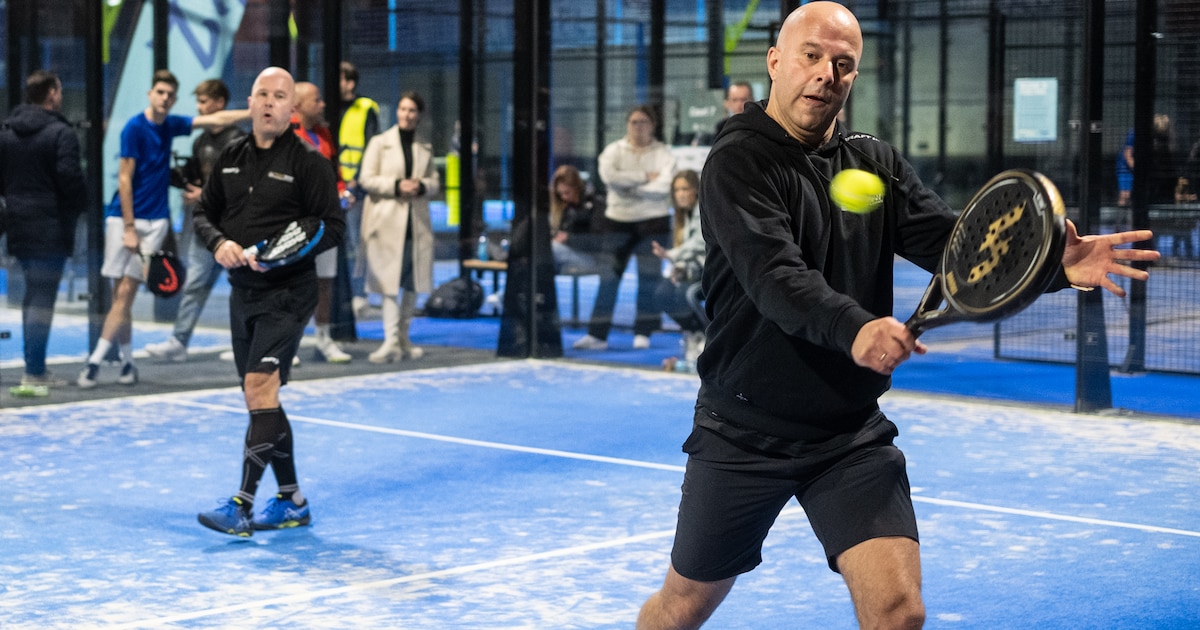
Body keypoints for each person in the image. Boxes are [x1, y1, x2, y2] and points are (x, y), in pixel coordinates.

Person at [635, 4, 1162, 629]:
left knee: (898, 611)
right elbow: (775, 278)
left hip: (847, 434)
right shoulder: (738, 162)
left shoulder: (873, 162)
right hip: (744, 431)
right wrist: (854, 328)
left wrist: (1052, 264)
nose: (826, 73)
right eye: (811, 55)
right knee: (683, 607)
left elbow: (955, 247)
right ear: (775, 62)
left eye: (843, 64)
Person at [195, 67, 345, 537]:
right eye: (262, 93)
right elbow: (203, 212)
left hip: (288, 294)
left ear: (291, 109)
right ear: (250, 101)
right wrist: (219, 242)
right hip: (242, 292)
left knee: (259, 389)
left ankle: (241, 504)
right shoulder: (230, 155)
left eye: (279, 96)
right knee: (262, 399)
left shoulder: (309, 163)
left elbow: (331, 227)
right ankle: (293, 500)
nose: (269, 102)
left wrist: (280, 255)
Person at [78, 69, 248, 389]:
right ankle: (127, 363)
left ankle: (94, 363)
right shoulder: (134, 128)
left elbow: (215, 119)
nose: (165, 98)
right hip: (124, 221)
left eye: (170, 95)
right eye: (160, 92)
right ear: (150, 94)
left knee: (125, 295)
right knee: (121, 297)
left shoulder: (172, 125)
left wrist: (254, 112)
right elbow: (124, 179)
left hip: (156, 222)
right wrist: (129, 226)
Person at [143, 78, 246, 362]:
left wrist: (203, 194)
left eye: (204, 102)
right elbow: (196, 177)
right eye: (198, 102)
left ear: (220, 103)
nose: (199, 107)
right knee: (194, 287)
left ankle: (245, 343)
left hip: (235, 230)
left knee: (243, 289)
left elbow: (239, 185)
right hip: (208, 230)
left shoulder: (238, 141)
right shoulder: (201, 140)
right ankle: (179, 342)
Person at [0, 70, 86, 389]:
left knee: (32, 296)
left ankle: (34, 368)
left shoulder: (7, 132)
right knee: (42, 299)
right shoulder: (61, 133)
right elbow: (69, 178)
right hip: (50, 226)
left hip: (18, 223)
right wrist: (81, 204)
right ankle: (35, 371)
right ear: (51, 93)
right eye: (59, 90)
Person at [573, 105, 676, 351]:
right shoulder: (613, 151)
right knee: (609, 278)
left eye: (643, 122)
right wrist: (644, 177)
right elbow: (610, 178)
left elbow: (664, 187)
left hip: (653, 222)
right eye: (634, 122)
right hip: (617, 222)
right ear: (627, 125)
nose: (638, 127)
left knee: (648, 279)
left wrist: (628, 187)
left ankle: (644, 331)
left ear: (652, 126)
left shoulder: (664, 154)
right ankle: (597, 335)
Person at [358, 91, 440, 363]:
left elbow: (434, 182)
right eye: (403, 109)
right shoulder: (380, 143)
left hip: (415, 223)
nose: (406, 115)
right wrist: (395, 185)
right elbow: (366, 178)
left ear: (419, 115)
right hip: (387, 221)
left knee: (412, 281)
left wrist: (421, 186)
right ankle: (390, 339)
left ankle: (403, 338)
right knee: (388, 282)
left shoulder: (424, 147)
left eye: (412, 110)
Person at [291, 81, 352, 363]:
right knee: (293, 282)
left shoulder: (324, 133)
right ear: (298, 105)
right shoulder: (286, 135)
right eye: (316, 100)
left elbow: (334, 174)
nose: (322, 104)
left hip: (326, 221)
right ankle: (288, 343)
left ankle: (324, 339)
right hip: (297, 223)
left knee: (324, 281)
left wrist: (342, 191)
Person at [337, 61, 381, 317]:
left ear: (350, 83)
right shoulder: (327, 107)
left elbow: (371, 149)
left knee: (356, 244)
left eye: (340, 78)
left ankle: (359, 295)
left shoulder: (366, 108)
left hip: (357, 191)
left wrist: (354, 186)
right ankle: (342, 295)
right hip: (334, 188)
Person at [651, 170, 706, 372]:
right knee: (661, 294)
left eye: (685, 189)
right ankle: (694, 332)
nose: (681, 194)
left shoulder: (704, 210)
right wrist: (677, 269)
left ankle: (706, 334)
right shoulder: (680, 216)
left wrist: (671, 256)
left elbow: (699, 244)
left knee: (685, 293)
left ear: (695, 190)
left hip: (707, 272)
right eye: (677, 190)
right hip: (688, 270)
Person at [549, 164, 608, 274]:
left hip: (591, 257)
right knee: (543, 247)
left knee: (551, 248)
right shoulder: (566, 208)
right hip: (568, 251)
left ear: (576, 188)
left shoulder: (595, 205)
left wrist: (568, 238)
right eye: (560, 194)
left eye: (567, 193)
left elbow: (598, 241)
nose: (563, 197)